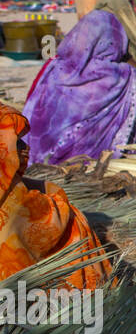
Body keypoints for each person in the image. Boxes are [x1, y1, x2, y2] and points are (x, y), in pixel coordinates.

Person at [0, 107, 111, 288]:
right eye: (16, 141)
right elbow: (51, 223)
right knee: (75, 223)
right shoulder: (18, 202)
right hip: (16, 300)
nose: (25, 147)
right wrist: (55, 192)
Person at [22, 10, 136, 166]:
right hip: (81, 165)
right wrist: (127, 58)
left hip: (30, 158)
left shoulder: (55, 68)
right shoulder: (119, 76)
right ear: (114, 40)